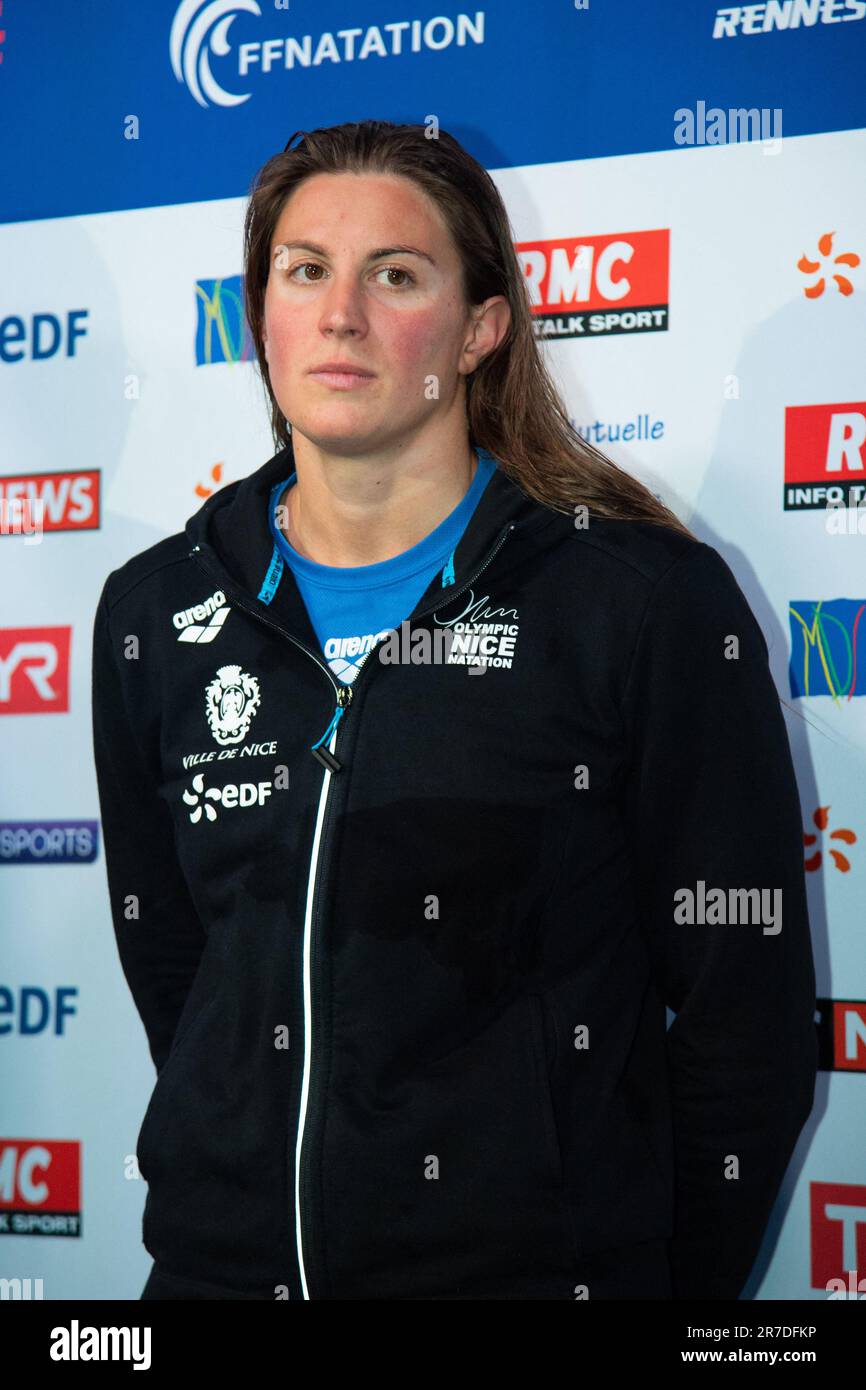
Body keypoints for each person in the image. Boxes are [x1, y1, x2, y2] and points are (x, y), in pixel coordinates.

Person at [91, 120, 817, 1301]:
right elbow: (180, 972)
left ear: (480, 329)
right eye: (304, 270)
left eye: (395, 274)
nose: (340, 315)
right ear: (259, 312)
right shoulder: (155, 610)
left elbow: (748, 1026)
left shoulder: (634, 603)